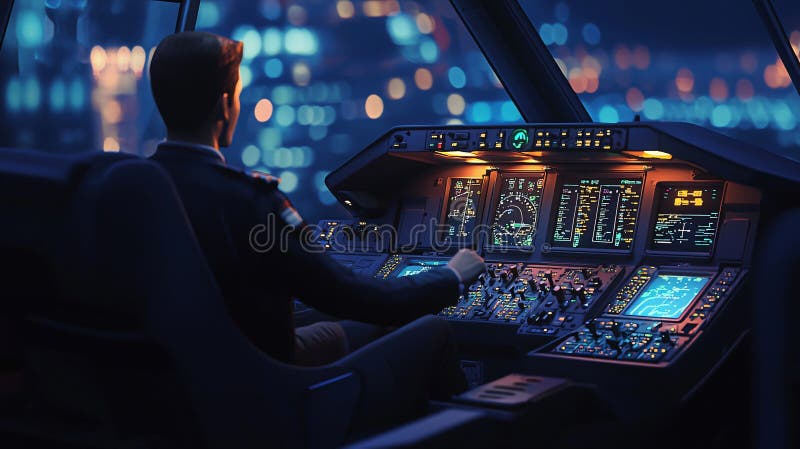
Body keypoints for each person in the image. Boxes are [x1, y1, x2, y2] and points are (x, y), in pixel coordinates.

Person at [147, 31, 484, 394]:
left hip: (178, 382)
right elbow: (354, 297)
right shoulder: (252, 203)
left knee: (341, 322)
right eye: (240, 95)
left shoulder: (134, 191)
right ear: (225, 105)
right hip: (263, 387)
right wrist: (451, 277)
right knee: (432, 331)